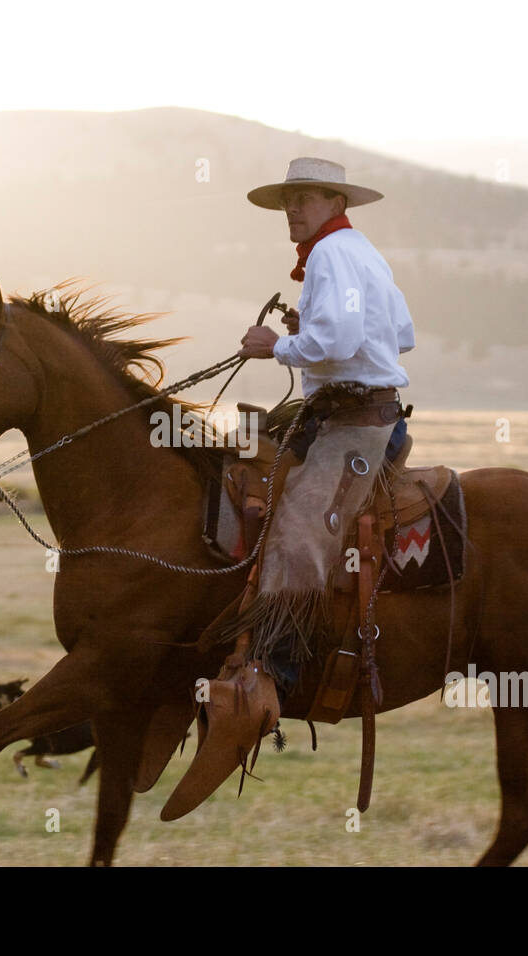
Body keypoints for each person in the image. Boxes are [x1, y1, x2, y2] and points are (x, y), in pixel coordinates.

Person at [162, 157, 415, 821]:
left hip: (354, 424)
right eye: (287, 201)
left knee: (302, 529)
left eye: (303, 199)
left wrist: (278, 344)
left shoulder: (333, 253)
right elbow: (404, 334)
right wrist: (313, 340)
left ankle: (270, 674)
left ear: (334, 199)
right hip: (340, 409)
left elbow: (344, 336)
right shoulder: (359, 251)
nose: (293, 211)